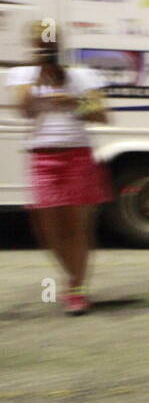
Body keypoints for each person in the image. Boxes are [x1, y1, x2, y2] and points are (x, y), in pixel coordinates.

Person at [7, 22, 112, 315]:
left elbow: (102, 116)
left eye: (50, 43)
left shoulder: (82, 75)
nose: (47, 47)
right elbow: (24, 110)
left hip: (77, 155)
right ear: (33, 46)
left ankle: (76, 289)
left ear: (59, 44)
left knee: (76, 228)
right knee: (46, 230)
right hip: (42, 157)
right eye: (41, 44)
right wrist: (39, 72)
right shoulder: (22, 75)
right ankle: (71, 279)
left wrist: (74, 101)